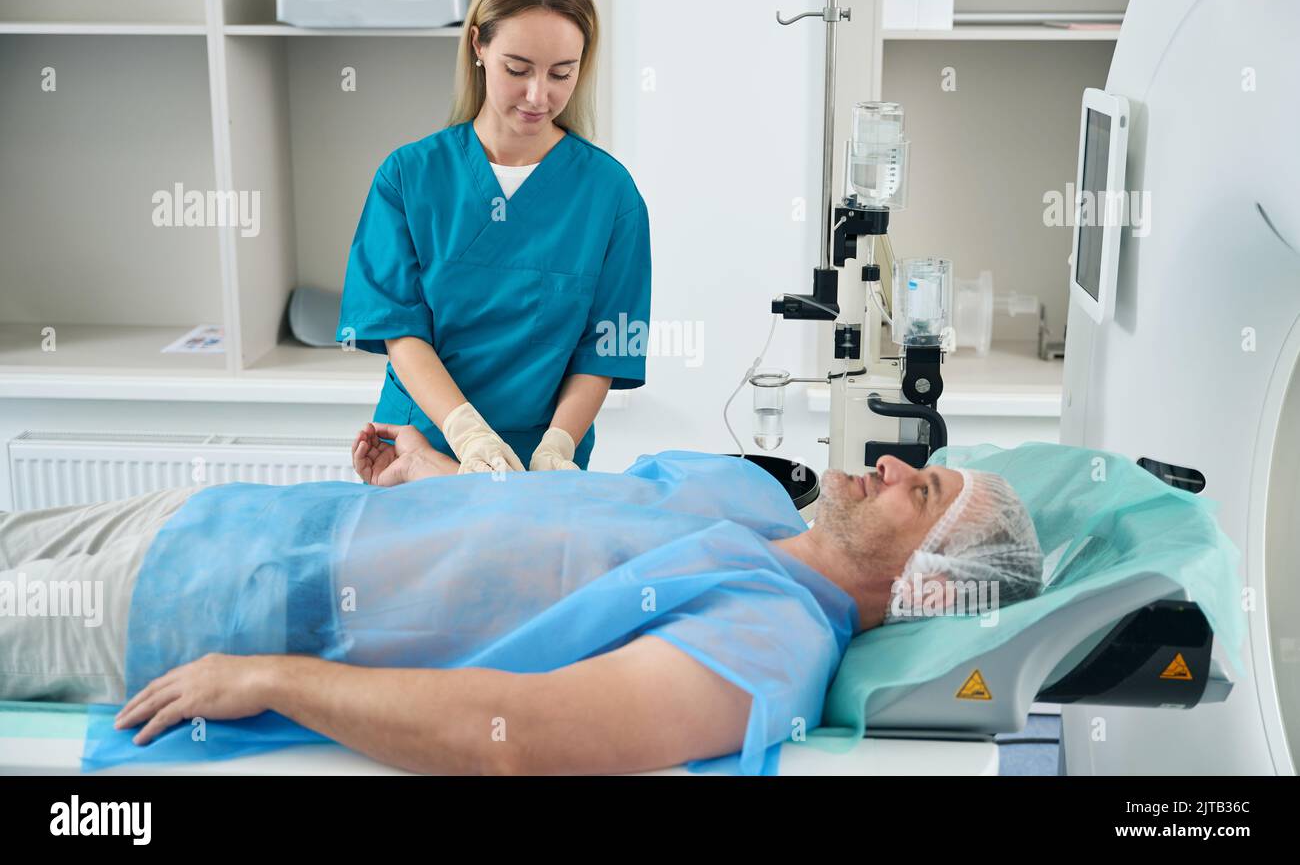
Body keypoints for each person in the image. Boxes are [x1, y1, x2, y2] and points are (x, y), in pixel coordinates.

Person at [0, 428, 1042, 775]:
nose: (895, 462)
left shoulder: (767, 642)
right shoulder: (755, 496)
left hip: (190, 616)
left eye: (925, 492)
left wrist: (268, 675)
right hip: (220, 517)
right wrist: (436, 474)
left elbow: (515, 739)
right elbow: (561, 518)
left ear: (927, 580)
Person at [336, 0, 651, 475]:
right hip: (420, 446)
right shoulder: (409, 177)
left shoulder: (610, 195)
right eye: (518, 69)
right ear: (479, 44)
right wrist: (466, 433)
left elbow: (604, 348)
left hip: (542, 458)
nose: (538, 95)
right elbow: (399, 329)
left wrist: (557, 447)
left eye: (561, 74)